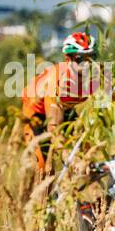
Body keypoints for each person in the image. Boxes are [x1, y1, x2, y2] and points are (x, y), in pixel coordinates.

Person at [20, 32, 100, 173]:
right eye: (80, 59)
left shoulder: (98, 76)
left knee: (85, 157)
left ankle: (94, 191)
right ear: (68, 59)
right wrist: (70, 158)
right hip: (36, 114)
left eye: (92, 57)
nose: (87, 64)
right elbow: (54, 130)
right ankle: (41, 192)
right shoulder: (56, 82)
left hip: (64, 108)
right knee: (44, 169)